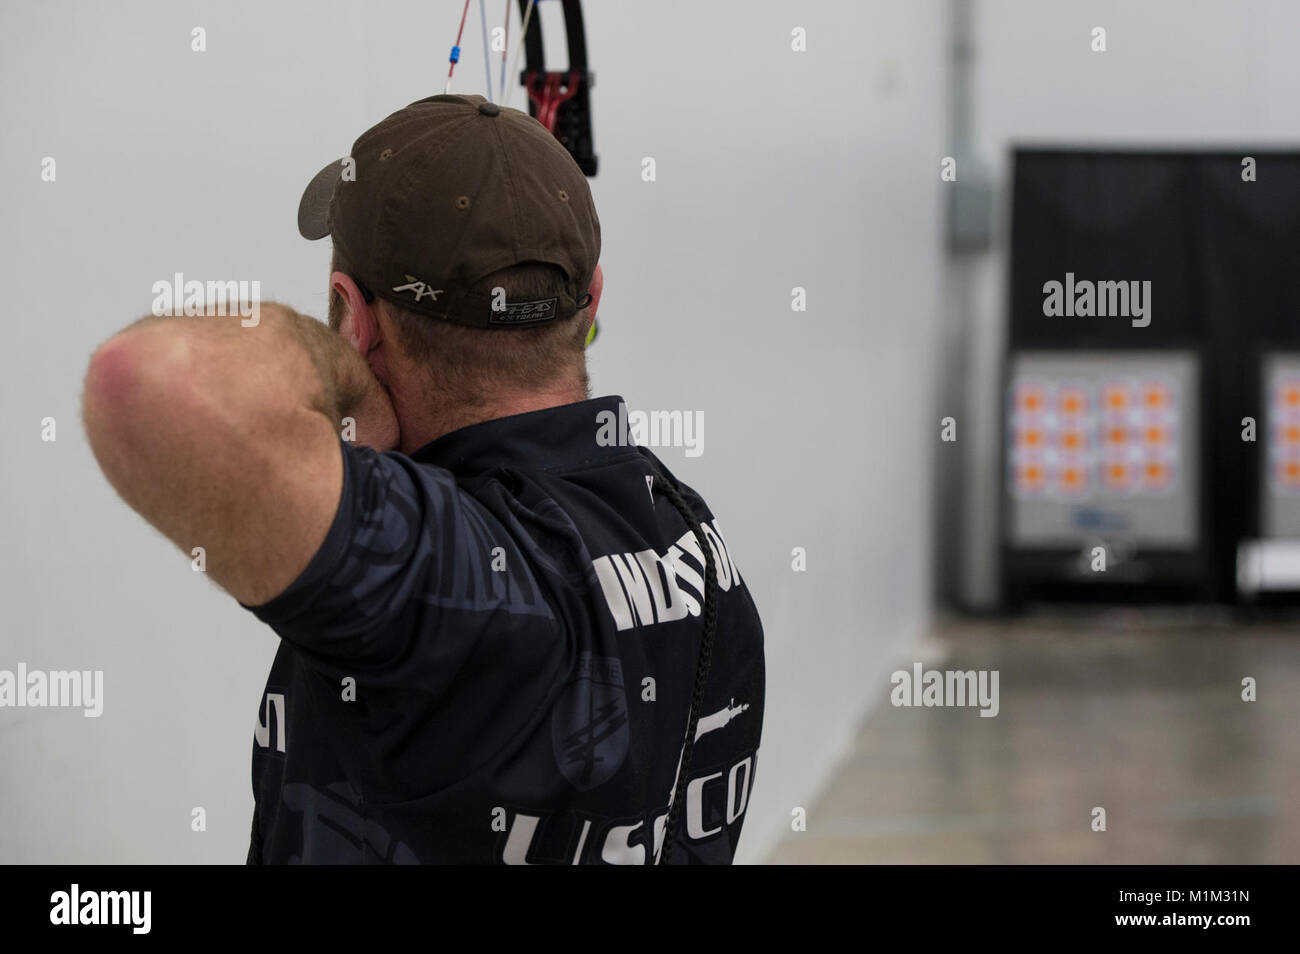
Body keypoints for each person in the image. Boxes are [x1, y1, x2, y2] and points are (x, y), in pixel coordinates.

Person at [82, 94, 766, 864]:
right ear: (593, 300)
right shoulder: (694, 543)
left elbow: (139, 382)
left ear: (352, 314)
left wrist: (344, 369)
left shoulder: (454, 572)